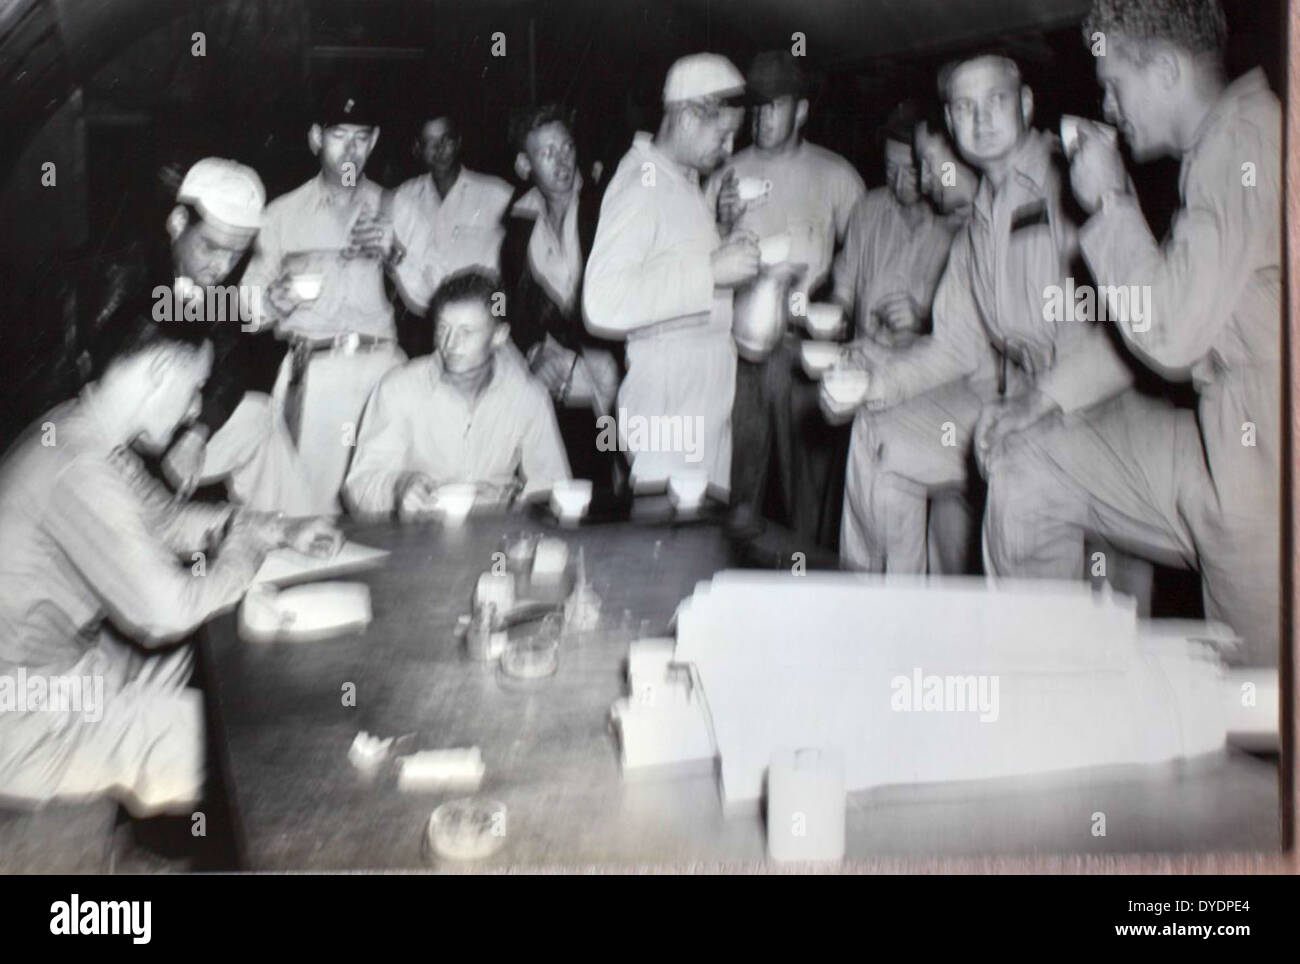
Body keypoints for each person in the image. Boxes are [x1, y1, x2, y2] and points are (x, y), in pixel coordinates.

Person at [983, 0, 1280, 667]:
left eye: (1115, 84)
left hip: (1264, 471)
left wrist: (1113, 202)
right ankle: (1056, 691)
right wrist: (1043, 399)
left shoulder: (1246, 143)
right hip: (1224, 437)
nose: (1109, 106)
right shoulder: (1220, 146)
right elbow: (1162, 320)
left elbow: (1169, 334)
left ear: (1168, 70)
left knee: (1257, 718)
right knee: (1029, 453)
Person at [0, 313, 339, 814]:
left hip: (59, 669)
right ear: (161, 369)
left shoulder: (79, 426)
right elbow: (166, 613)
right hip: (23, 712)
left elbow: (166, 518)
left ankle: (163, 837)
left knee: (201, 669)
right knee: (257, 744)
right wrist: (243, 550)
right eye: (196, 386)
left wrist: (275, 527)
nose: (197, 407)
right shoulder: (78, 463)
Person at [825, 53, 1136, 575]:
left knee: (1019, 473)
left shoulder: (1073, 179)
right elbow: (955, 345)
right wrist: (872, 383)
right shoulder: (981, 220)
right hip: (1013, 399)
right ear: (951, 122)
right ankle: (886, 614)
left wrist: (1037, 403)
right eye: (965, 107)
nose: (982, 119)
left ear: (1026, 104)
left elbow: (1131, 328)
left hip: (1093, 403)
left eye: (996, 101)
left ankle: (1030, 646)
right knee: (878, 432)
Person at [706, 51, 865, 546]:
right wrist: (721, 220)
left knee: (808, 487)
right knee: (737, 479)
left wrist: (839, 304)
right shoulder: (724, 173)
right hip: (740, 347)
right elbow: (696, 263)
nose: (761, 117)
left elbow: (862, 254)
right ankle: (731, 574)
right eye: (754, 108)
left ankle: (810, 572)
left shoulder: (835, 175)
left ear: (801, 111)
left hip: (804, 348)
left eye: (773, 106)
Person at [584, 53, 757, 494]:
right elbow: (600, 302)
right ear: (684, 116)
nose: (730, 148)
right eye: (724, 134)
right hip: (669, 397)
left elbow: (667, 260)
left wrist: (719, 231)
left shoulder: (678, 177)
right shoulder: (640, 181)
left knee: (699, 541)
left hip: (701, 389)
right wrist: (712, 270)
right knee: (667, 541)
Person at [242, 84, 408, 515]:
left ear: (373, 141)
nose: (350, 149)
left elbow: (438, 298)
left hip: (383, 375)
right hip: (315, 378)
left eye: (361, 137)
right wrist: (271, 303)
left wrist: (397, 254)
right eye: (338, 135)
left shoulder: (400, 206)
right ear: (317, 138)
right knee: (306, 511)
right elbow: (244, 311)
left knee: (389, 505)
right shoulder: (280, 214)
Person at [343, 270, 570, 519]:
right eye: (443, 329)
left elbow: (554, 486)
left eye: (466, 332)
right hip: (418, 539)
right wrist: (398, 488)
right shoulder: (399, 388)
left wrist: (514, 499)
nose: (450, 344)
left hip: (495, 542)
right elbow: (357, 488)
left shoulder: (526, 395)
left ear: (499, 336)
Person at [499, 103, 623, 489]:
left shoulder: (607, 207)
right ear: (524, 165)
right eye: (546, 153)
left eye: (566, 147)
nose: (562, 161)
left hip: (612, 374)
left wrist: (578, 358)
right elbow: (514, 307)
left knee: (617, 484)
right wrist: (536, 352)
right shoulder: (519, 224)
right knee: (566, 483)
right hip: (557, 378)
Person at [390, 111, 514, 318]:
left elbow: (509, 275)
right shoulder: (404, 197)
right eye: (430, 142)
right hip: (422, 318)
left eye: (446, 139)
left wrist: (498, 318)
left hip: (480, 319)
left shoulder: (496, 193)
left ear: (458, 142)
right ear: (417, 149)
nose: (439, 149)